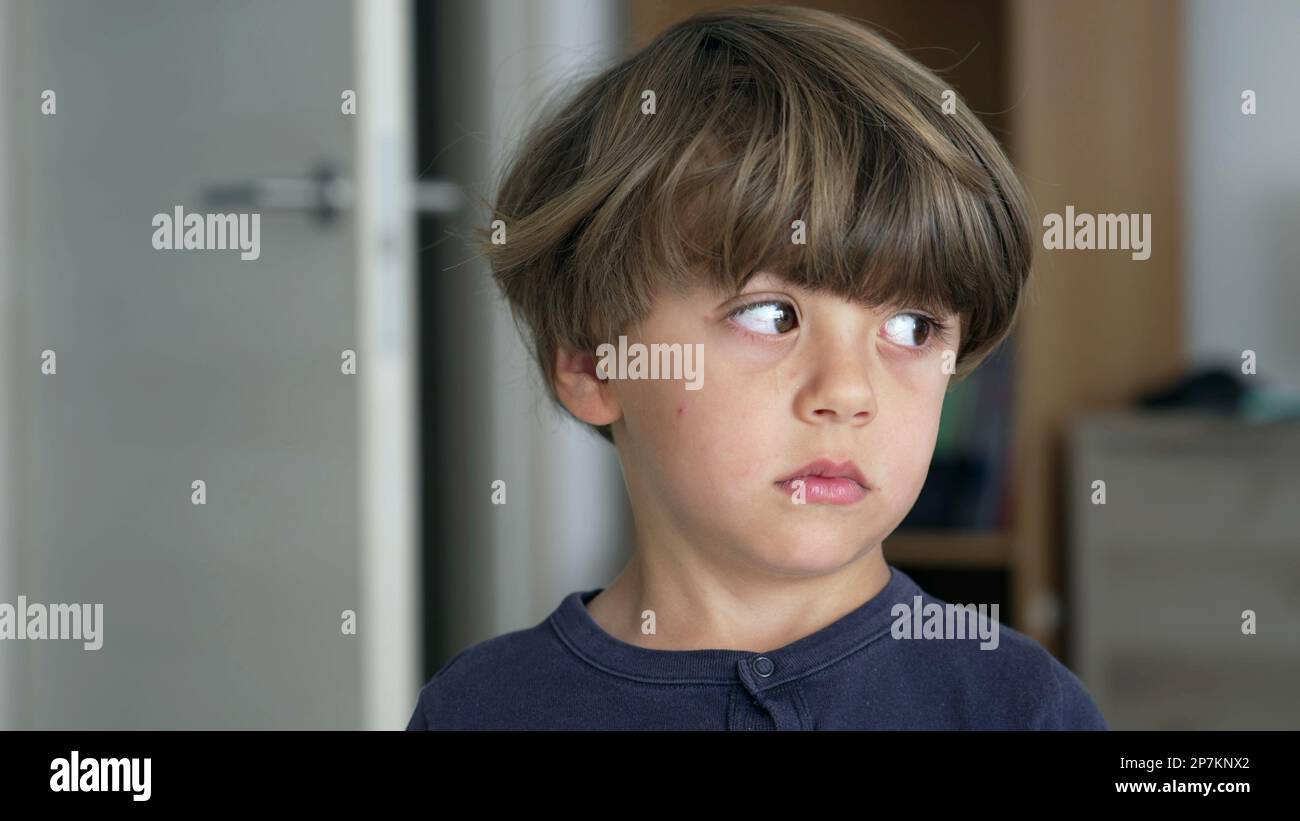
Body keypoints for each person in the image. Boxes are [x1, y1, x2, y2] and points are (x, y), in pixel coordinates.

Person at [407, 4, 1106, 730]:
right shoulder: (483, 709)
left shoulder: (1019, 708)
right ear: (593, 361)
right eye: (771, 315)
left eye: (911, 326)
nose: (847, 391)